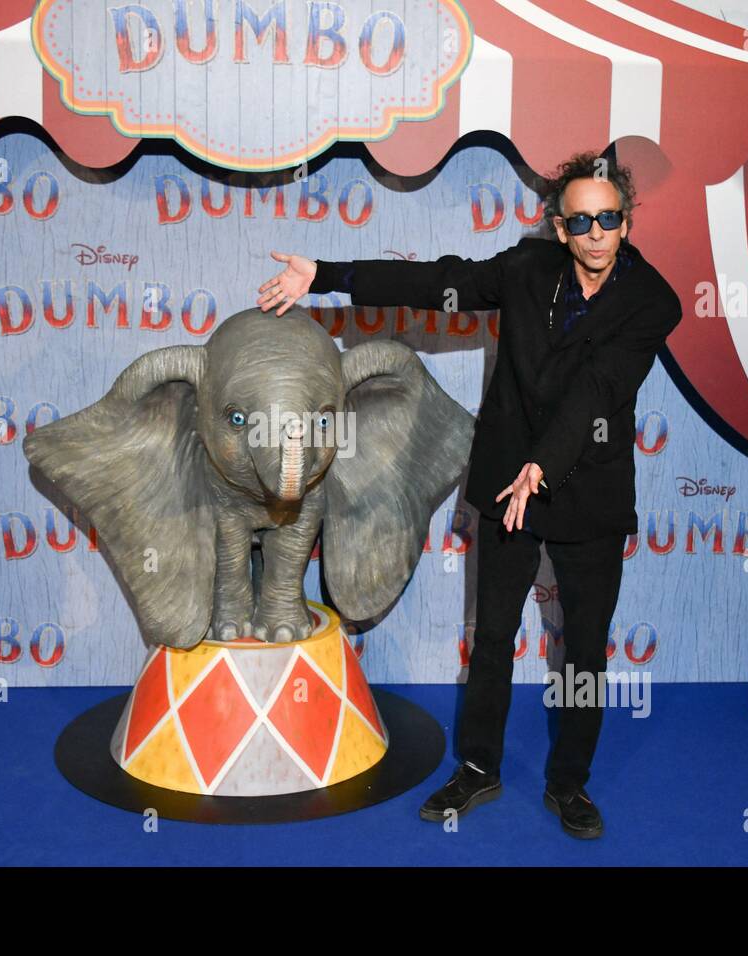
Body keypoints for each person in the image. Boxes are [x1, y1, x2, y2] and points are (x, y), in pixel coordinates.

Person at [257, 151, 682, 839]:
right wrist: (327, 276)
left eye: (610, 218)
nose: (597, 232)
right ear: (560, 226)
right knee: (492, 637)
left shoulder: (652, 301)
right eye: (582, 220)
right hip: (506, 473)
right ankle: (478, 768)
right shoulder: (525, 269)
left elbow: (599, 389)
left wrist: (541, 467)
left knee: (585, 651)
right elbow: (440, 281)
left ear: (627, 222)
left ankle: (569, 781)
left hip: (586, 488)